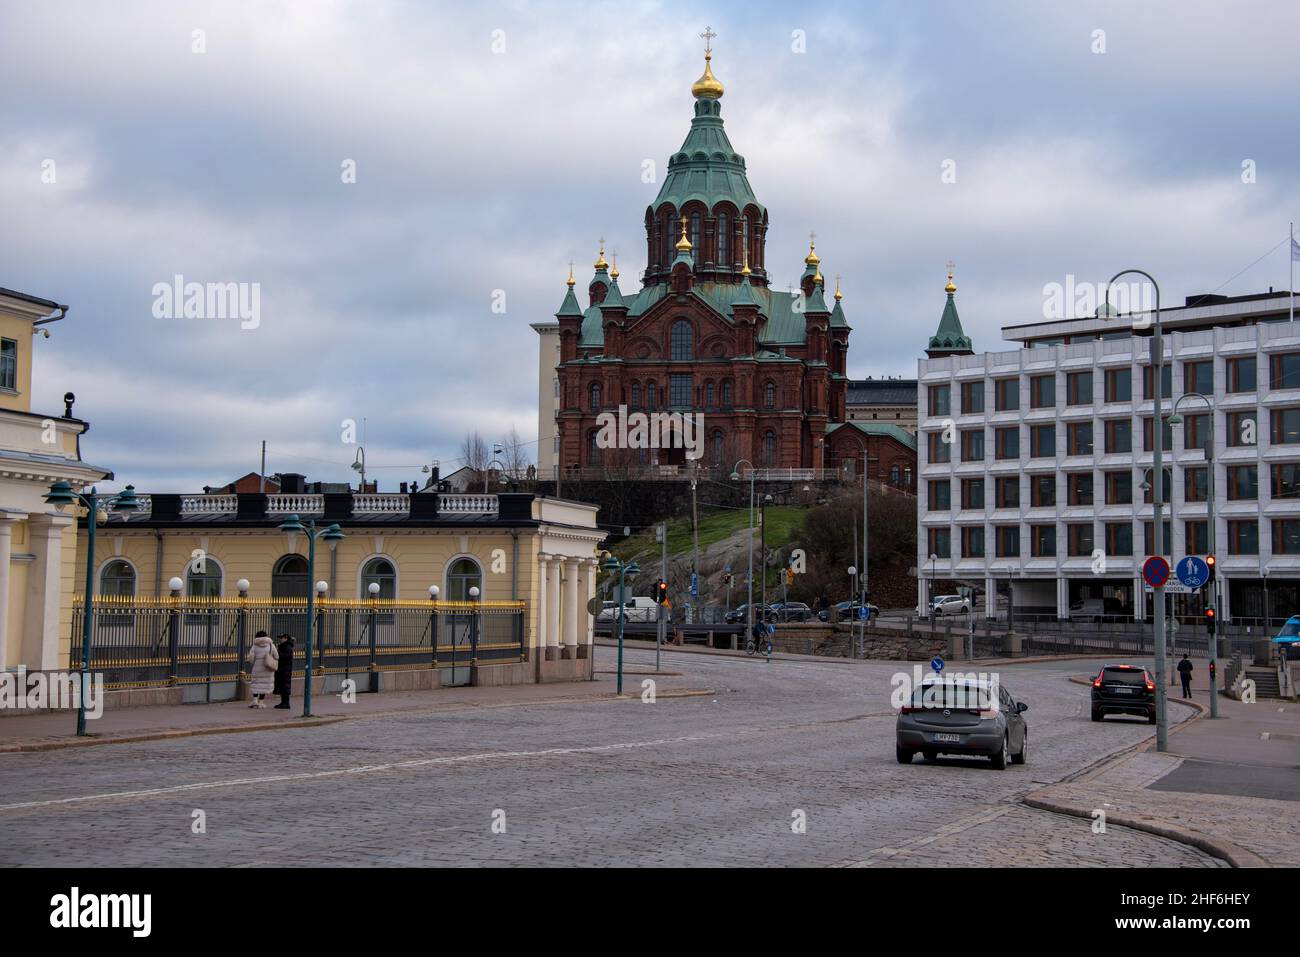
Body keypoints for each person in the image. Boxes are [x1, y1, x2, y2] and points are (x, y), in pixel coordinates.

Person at [246, 630, 279, 708]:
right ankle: (261, 703)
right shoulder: (271, 645)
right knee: (264, 685)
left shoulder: (254, 646)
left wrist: (254, 663)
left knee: (256, 684)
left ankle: (254, 701)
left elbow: (251, 658)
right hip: (267, 668)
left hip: (257, 668)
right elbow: (277, 656)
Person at [273, 633, 295, 709]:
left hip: (285, 669)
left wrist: (277, 651)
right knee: (282, 686)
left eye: (281, 638)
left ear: (285, 638)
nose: (280, 640)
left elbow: (284, 656)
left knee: (285, 686)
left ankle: (286, 703)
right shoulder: (284, 646)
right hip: (282, 669)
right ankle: (283, 702)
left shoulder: (288, 647)